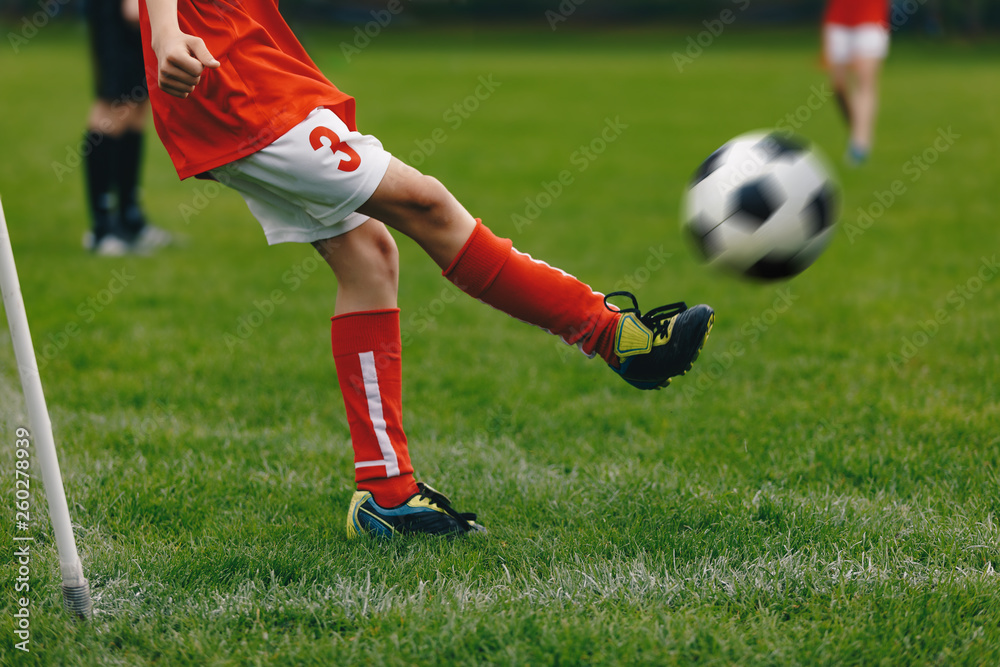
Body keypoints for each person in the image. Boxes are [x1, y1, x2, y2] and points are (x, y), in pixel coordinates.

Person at [139, 0, 715, 538]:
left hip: (245, 62)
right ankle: (613, 335)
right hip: (229, 74)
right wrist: (165, 30)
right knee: (427, 205)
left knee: (369, 256)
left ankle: (386, 498)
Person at [83, 0, 172, 255]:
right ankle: (102, 229)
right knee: (112, 107)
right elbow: (132, 12)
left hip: (136, 20)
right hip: (115, 15)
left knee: (136, 108)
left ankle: (129, 220)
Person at [822, 0, 891, 166]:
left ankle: (860, 143)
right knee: (838, 86)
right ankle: (858, 128)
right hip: (839, 19)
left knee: (865, 80)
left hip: (871, 19)